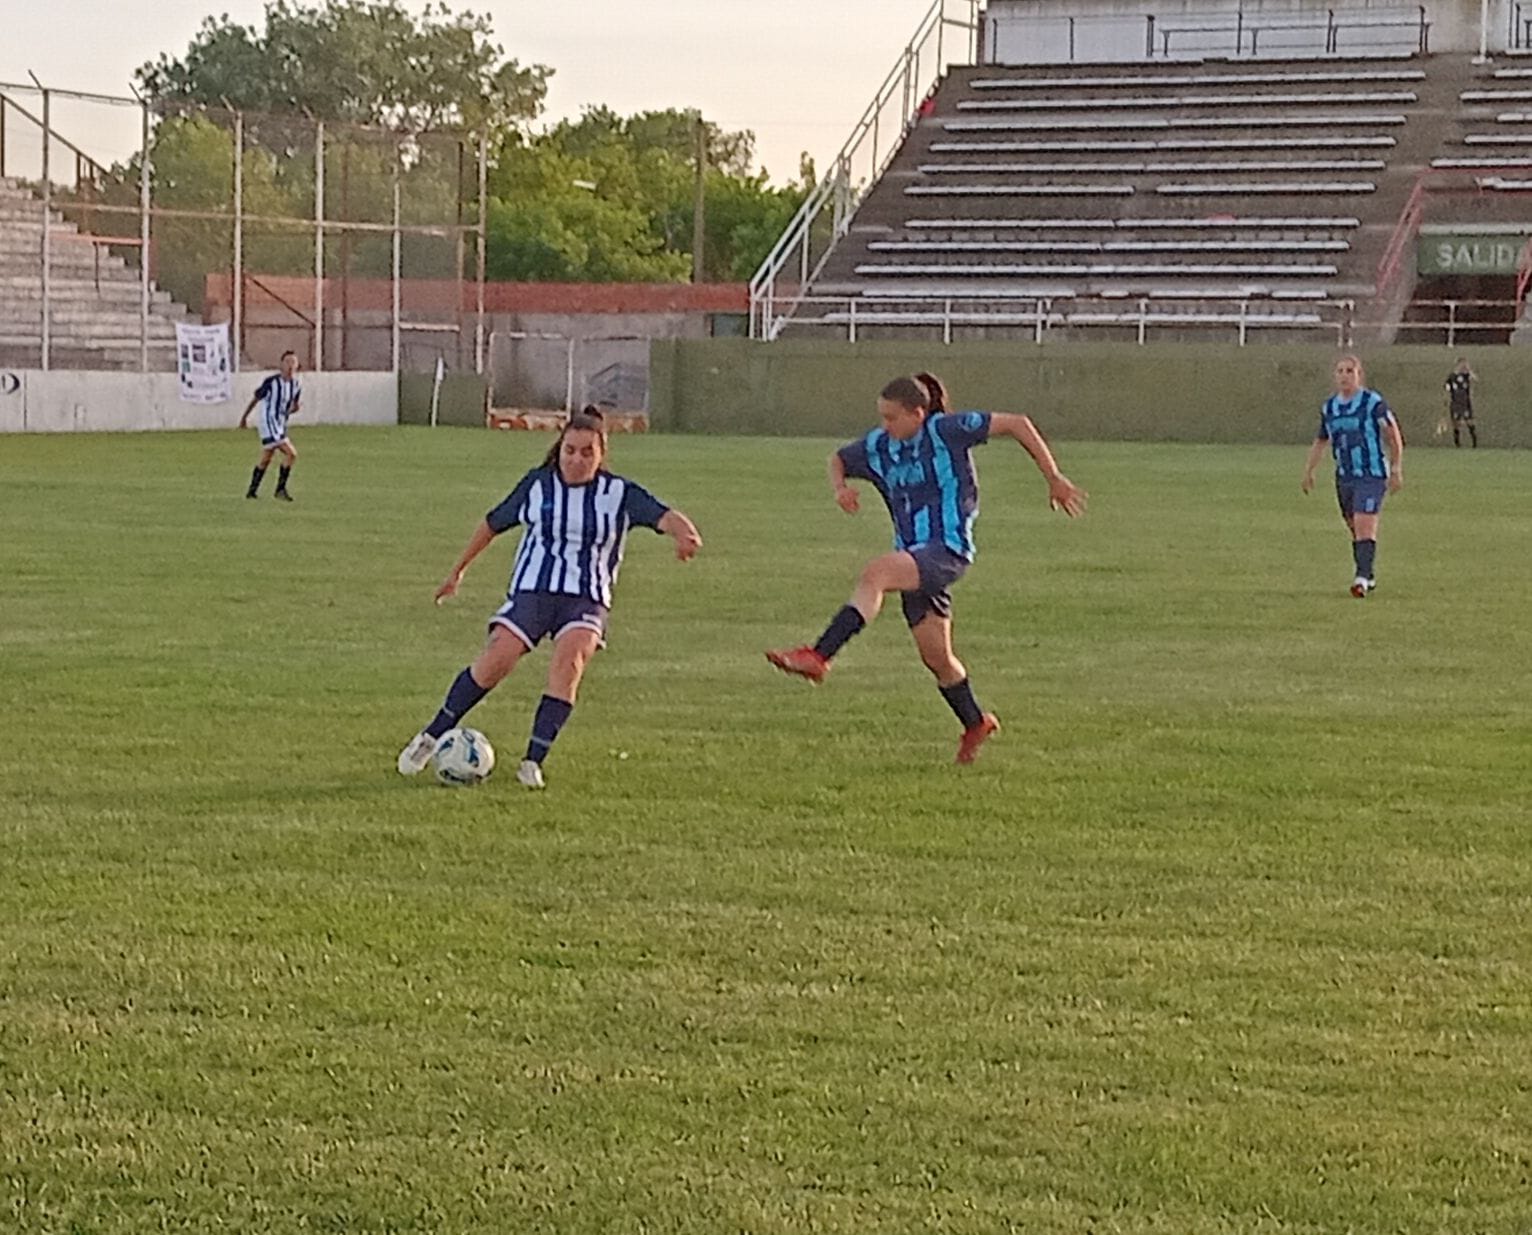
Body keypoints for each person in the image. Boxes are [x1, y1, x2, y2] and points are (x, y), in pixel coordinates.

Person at [764, 372, 1087, 765]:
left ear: (918, 413)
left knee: (875, 573)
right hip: (913, 556)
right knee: (937, 658)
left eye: (892, 417)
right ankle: (975, 722)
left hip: (946, 549)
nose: (885, 425)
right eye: (881, 417)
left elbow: (1017, 423)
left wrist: (1053, 477)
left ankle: (819, 655)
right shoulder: (879, 446)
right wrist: (840, 488)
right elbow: (838, 458)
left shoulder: (946, 431)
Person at [397, 407, 703, 790]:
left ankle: (532, 761)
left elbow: (665, 516)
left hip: (586, 599)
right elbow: (493, 523)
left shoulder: (619, 493)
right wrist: (457, 572)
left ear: (601, 454)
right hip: (533, 592)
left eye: (586, 452)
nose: (576, 460)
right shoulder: (537, 485)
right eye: (570, 450)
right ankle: (431, 736)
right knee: (498, 657)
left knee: (570, 659)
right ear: (559, 449)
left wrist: (685, 534)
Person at [1301, 354, 1404, 598]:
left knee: (1364, 523)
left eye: (1350, 371)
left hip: (1371, 474)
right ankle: (1368, 572)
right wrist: (1309, 471)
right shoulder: (1330, 408)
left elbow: (1392, 433)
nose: (1345, 376)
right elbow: (1321, 440)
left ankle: (1360, 579)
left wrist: (1397, 466)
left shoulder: (1372, 402)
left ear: (1359, 375)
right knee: (1354, 527)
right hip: (1344, 476)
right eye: (1340, 371)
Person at [238, 350, 302, 501]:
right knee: (291, 454)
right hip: (268, 422)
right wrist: (245, 417)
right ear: (281, 365)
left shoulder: (296, 385)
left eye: (293, 362)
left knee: (267, 457)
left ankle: (251, 492)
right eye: (287, 362)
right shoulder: (272, 382)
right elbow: (256, 398)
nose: (291, 365)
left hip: (279, 424)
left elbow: (292, 407)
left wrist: (294, 409)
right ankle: (280, 490)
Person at [1443, 358, 1478, 448]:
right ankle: (1457, 444)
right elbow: (1446, 389)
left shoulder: (1466, 376)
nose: (1464, 367)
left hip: (1465, 402)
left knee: (1469, 422)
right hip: (1455, 402)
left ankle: (1475, 444)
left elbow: (1475, 378)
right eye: (1463, 365)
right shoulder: (1451, 377)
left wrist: (1469, 371)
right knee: (1456, 423)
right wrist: (1446, 400)